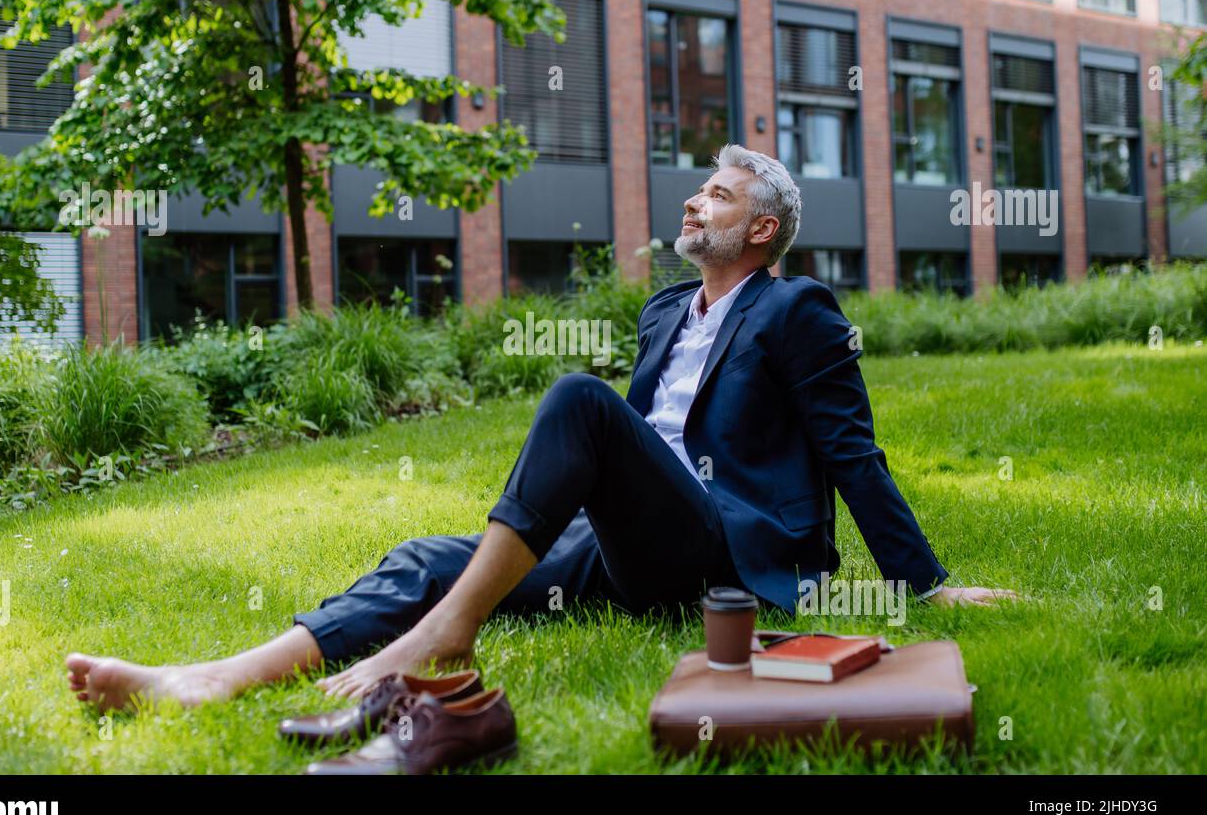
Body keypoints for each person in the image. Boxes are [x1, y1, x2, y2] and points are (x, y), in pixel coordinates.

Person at [66, 143, 1016, 712]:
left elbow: (851, 450)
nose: (694, 200)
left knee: (576, 398)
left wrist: (925, 587)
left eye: (719, 195)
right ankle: (214, 678)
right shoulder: (662, 312)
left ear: (764, 230)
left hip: (729, 551)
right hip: (635, 545)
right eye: (698, 191)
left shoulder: (798, 310)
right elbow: (640, 452)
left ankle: (444, 639)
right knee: (423, 557)